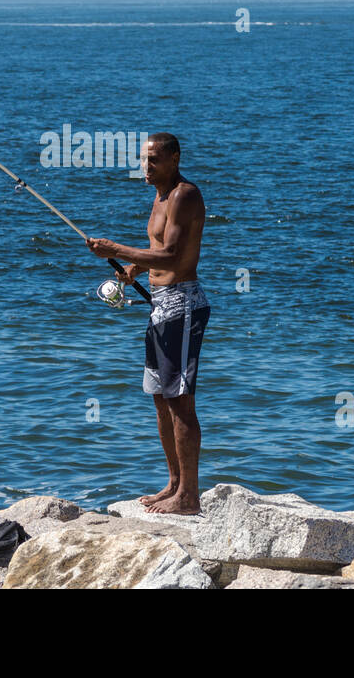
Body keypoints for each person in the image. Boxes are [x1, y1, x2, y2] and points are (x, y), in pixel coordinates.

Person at [85, 132, 209, 515]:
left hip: (183, 306)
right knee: (160, 399)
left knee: (181, 402)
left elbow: (173, 256)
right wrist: (134, 267)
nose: (147, 166)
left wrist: (115, 249)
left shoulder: (184, 195)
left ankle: (189, 496)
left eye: (155, 159)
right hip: (158, 305)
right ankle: (173, 484)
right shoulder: (157, 198)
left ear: (175, 158)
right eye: (144, 159)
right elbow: (157, 251)